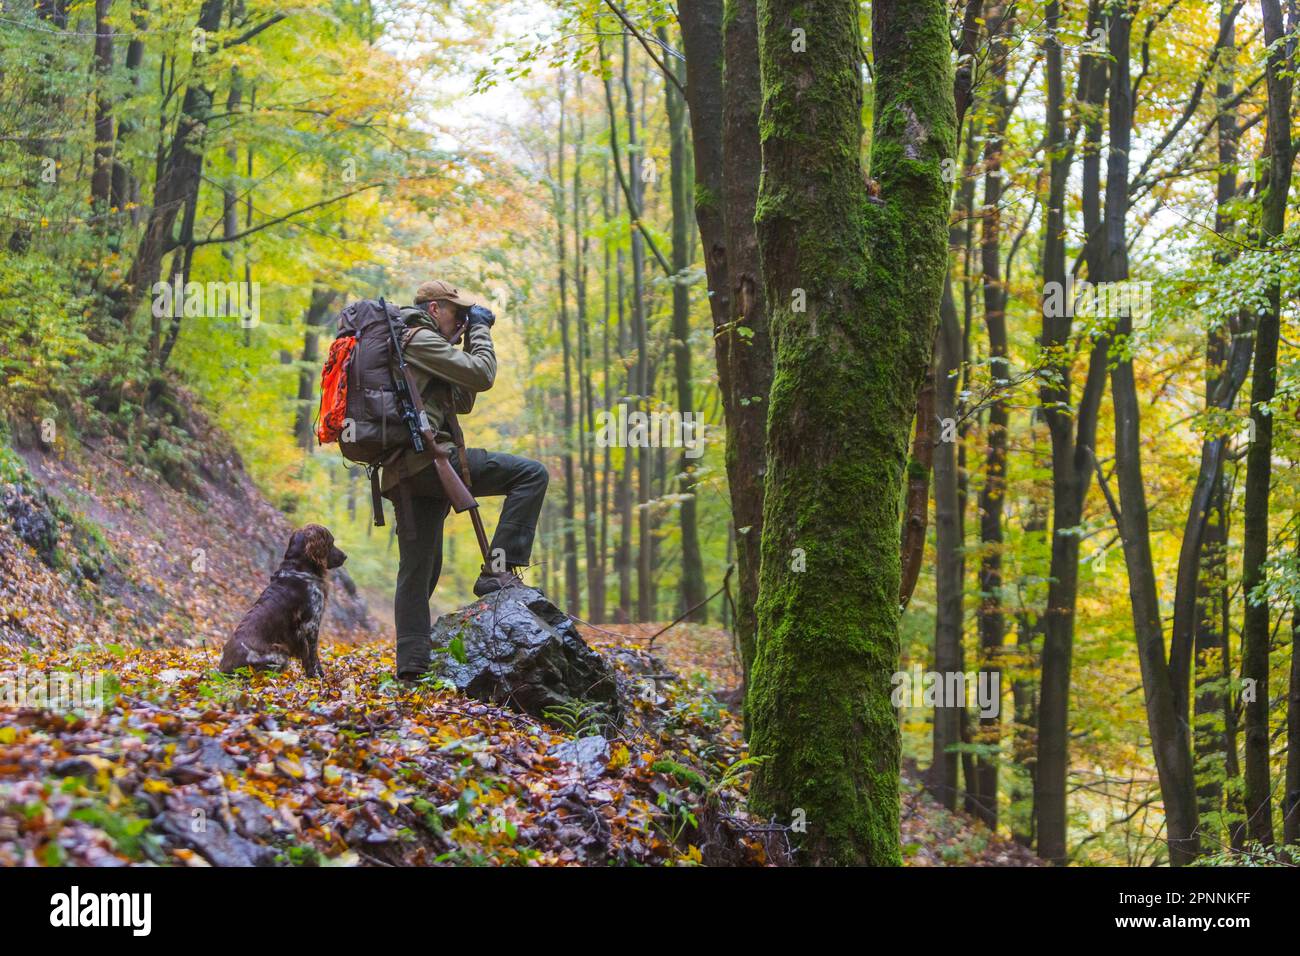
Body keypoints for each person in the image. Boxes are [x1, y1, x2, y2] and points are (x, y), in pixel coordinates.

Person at [380, 279, 548, 681]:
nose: (461, 322)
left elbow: (464, 399)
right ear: (434, 308)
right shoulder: (418, 337)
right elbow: (483, 374)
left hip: (407, 472)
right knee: (530, 474)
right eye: (458, 313)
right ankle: (497, 569)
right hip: (430, 463)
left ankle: (411, 667)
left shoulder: (407, 343)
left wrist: (466, 338)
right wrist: (481, 331)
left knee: (419, 568)